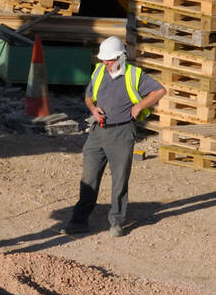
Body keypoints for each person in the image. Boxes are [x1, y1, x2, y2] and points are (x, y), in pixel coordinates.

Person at [63, 36, 166, 238]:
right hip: (97, 132)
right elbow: (88, 96)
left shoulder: (134, 75)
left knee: (119, 180)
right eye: (104, 59)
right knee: (88, 179)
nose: (105, 63)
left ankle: (116, 222)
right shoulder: (100, 71)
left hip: (122, 132)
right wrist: (93, 109)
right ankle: (78, 222)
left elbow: (160, 90)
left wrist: (139, 106)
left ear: (120, 57)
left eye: (109, 60)